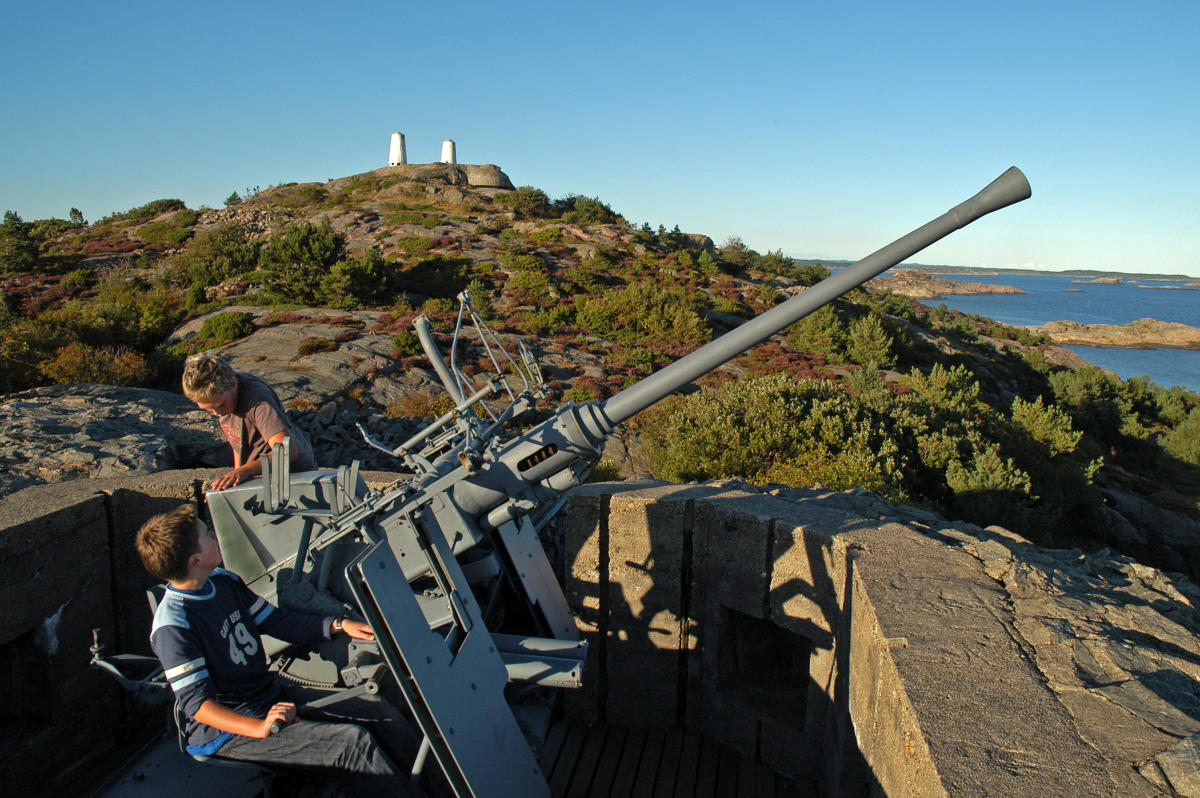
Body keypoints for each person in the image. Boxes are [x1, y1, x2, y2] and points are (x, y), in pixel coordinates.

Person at [135, 504, 424, 797]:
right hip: (232, 731)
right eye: (207, 535)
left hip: (270, 696)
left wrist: (336, 624)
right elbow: (199, 707)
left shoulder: (223, 582)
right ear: (194, 560)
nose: (214, 535)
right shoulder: (174, 625)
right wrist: (260, 727)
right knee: (351, 744)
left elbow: (274, 621)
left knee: (376, 709)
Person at [182, 354, 315, 490]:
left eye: (221, 405)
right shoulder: (224, 392)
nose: (217, 413)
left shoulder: (258, 400)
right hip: (259, 475)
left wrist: (242, 471)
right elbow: (238, 442)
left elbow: (286, 451)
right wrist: (236, 476)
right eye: (208, 410)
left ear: (234, 385)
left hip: (292, 478)